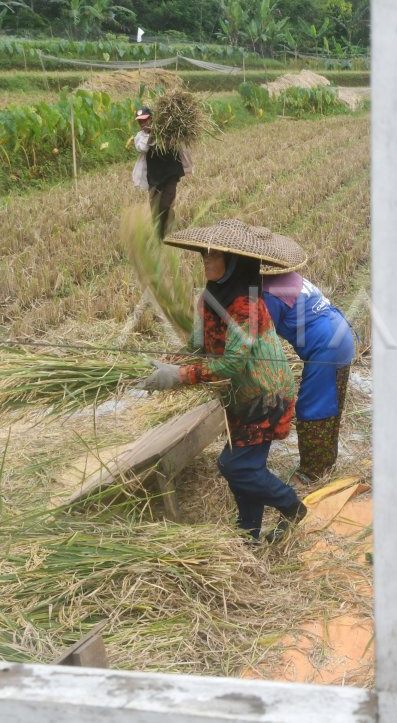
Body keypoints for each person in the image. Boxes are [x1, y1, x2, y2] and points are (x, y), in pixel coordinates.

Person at [141, 219, 305, 543]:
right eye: (204, 254)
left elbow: (231, 362)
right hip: (240, 396)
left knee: (236, 466)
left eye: (214, 255)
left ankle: (292, 507)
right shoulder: (208, 298)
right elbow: (197, 347)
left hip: (265, 394)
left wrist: (179, 376)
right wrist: (168, 364)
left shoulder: (248, 304)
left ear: (235, 263)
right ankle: (249, 535)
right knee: (245, 468)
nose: (206, 260)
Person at [258, 238, 356, 487]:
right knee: (330, 403)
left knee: (314, 408)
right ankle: (325, 464)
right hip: (339, 333)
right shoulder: (290, 278)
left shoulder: (268, 294)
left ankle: (313, 473)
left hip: (326, 347)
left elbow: (260, 340)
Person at [131, 105, 193, 238]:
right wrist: (152, 134)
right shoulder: (140, 137)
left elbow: (178, 137)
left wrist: (161, 130)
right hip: (154, 176)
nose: (143, 124)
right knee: (155, 209)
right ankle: (159, 237)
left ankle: (168, 227)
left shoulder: (166, 130)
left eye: (145, 120)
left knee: (165, 204)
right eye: (140, 121)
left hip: (171, 172)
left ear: (152, 118)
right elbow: (142, 148)